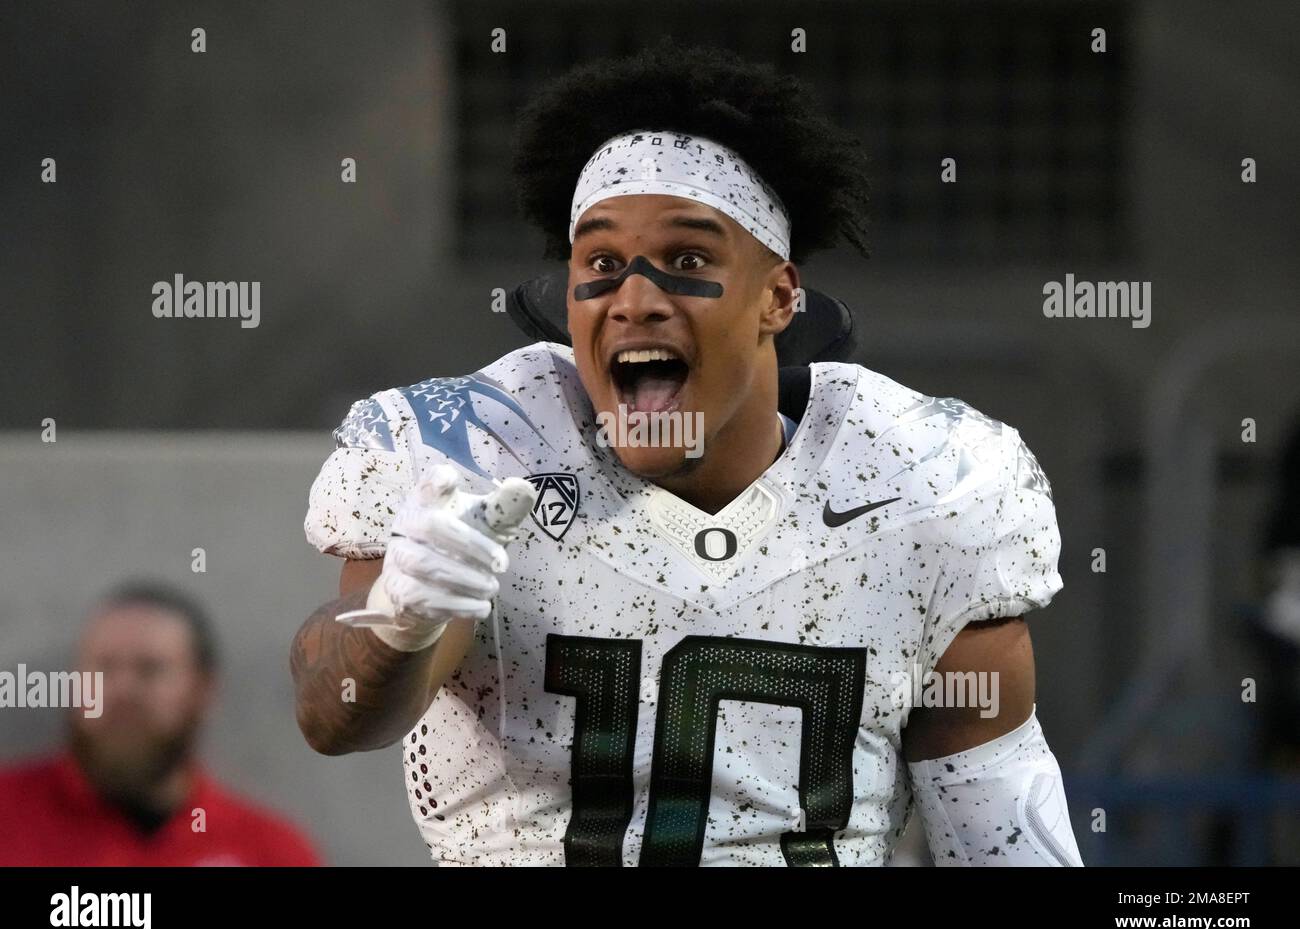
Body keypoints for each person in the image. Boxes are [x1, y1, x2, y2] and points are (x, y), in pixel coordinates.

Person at [292, 40, 1083, 867]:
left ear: (779, 295)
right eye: (600, 263)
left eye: (687, 261)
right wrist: (403, 617)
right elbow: (333, 716)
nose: (634, 299)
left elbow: (997, 825)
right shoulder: (481, 449)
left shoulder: (919, 483)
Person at [0, 582, 321, 866]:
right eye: (104, 667)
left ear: (202, 690)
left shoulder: (269, 852)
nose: (122, 690)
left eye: (150, 669)